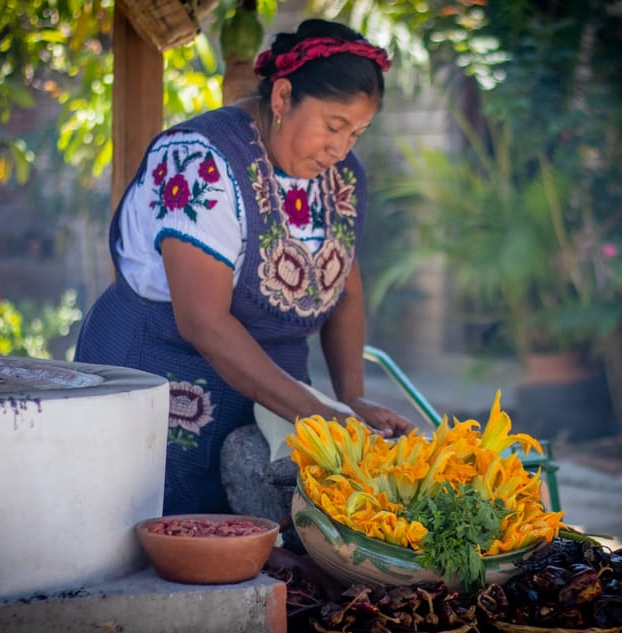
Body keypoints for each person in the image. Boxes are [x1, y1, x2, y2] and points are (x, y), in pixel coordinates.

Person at [74, 18, 413, 515]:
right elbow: (204, 321)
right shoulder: (198, 161)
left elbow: (345, 287)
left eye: (357, 133)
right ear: (281, 98)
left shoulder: (340, 175)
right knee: (154, 542)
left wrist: (352, 399)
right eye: (333, 126)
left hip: (274, 403)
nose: (341, 148)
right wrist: (320, 414)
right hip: (161, 381)